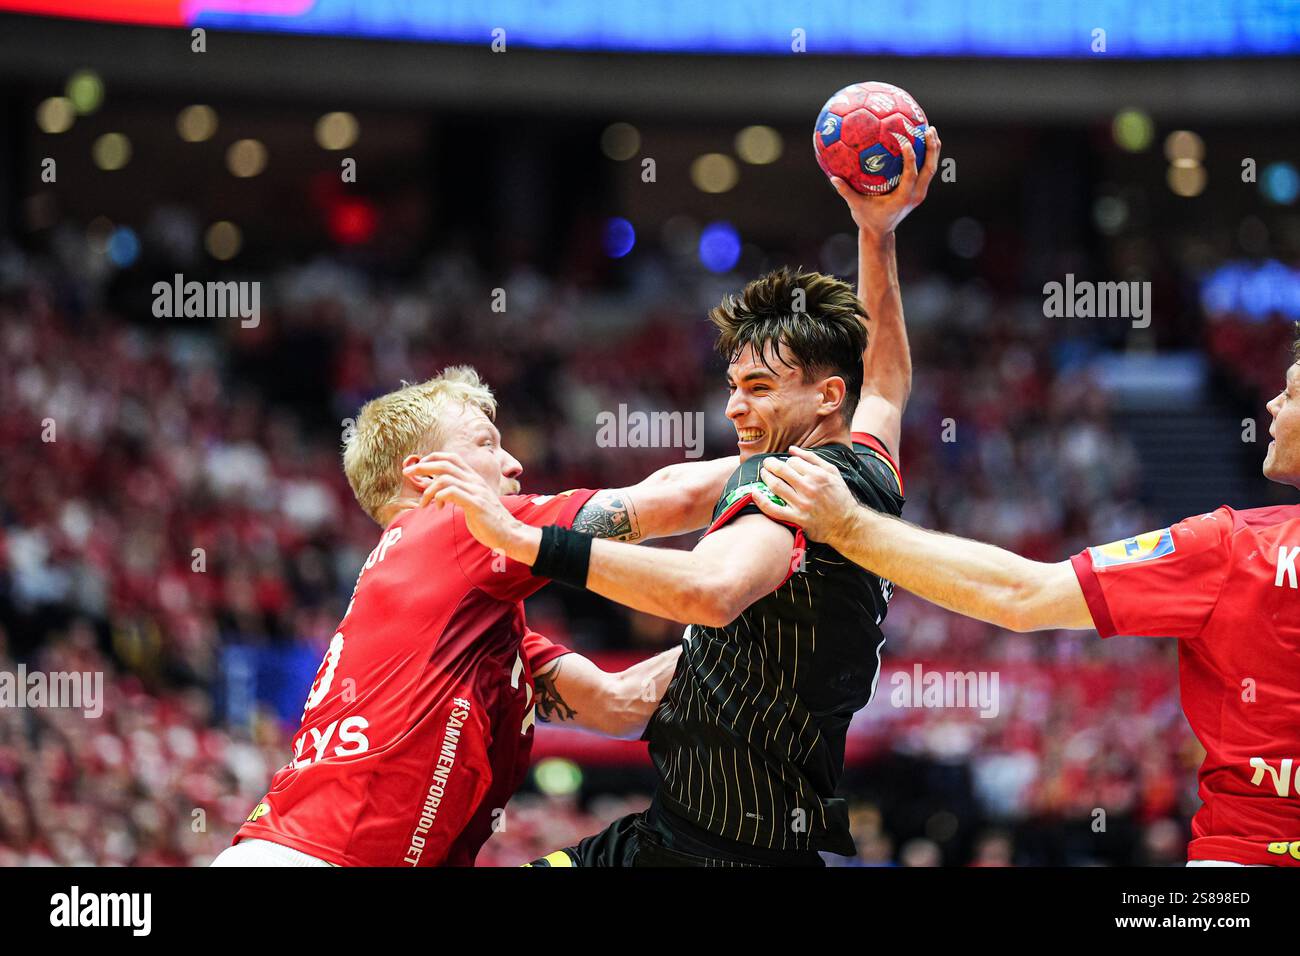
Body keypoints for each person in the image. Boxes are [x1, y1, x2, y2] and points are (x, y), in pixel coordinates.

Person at [418, 128, 941, 866]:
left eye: (758, 388)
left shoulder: (788, 483)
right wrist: (875, 232)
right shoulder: (869, 460)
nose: (734, 408)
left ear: (826, 398)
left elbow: (710, 588)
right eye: (732, 388)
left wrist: (523, 540)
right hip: (681, 837)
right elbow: (885, 380)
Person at [749, 333, 1300, 868]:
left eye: (1293, 392)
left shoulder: (1234, 547)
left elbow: (1022, 595)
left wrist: (846, 525)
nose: (1272, 402)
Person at [213, 366, 738, 866]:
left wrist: (756, 614)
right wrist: (807, 456)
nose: (514, 465)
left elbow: (618, 704)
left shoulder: (465, 615)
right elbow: (674, 496)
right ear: (424, 474)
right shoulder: (450, 528)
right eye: (487, 444)